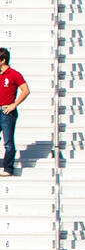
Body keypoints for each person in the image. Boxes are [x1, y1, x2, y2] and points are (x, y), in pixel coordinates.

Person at [0, 48, 30, 176]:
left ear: (3, 60)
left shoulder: (14, 74)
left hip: (6, 112)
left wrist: (14, 105)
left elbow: (26, 90)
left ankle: (8, 168)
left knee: (8, 142)